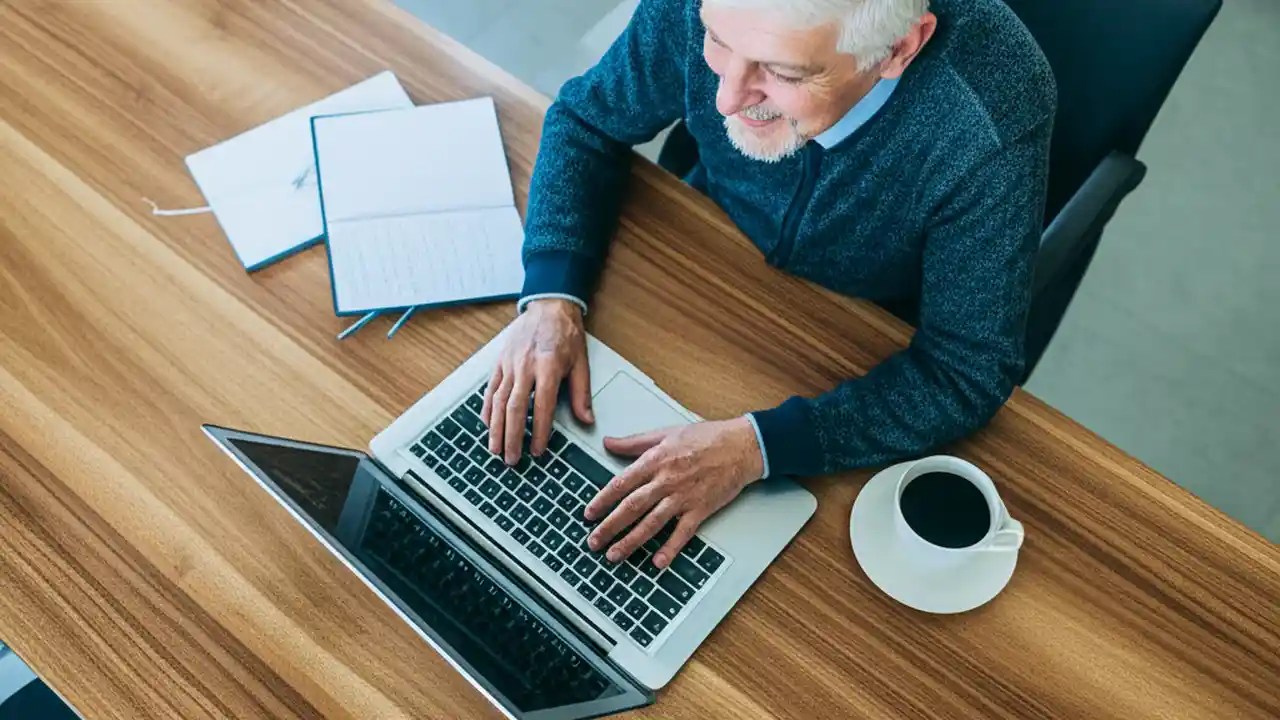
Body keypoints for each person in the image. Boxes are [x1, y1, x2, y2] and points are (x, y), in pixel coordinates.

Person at [480, 0, 1055, 571]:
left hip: (866, 327)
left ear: (899, 48)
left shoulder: (992, 110)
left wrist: (759, 448)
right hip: (711, 247)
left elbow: (967, 369)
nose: (724, 97)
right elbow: (588, 120)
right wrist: (553, 296)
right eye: (716, 41)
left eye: (782, 72)